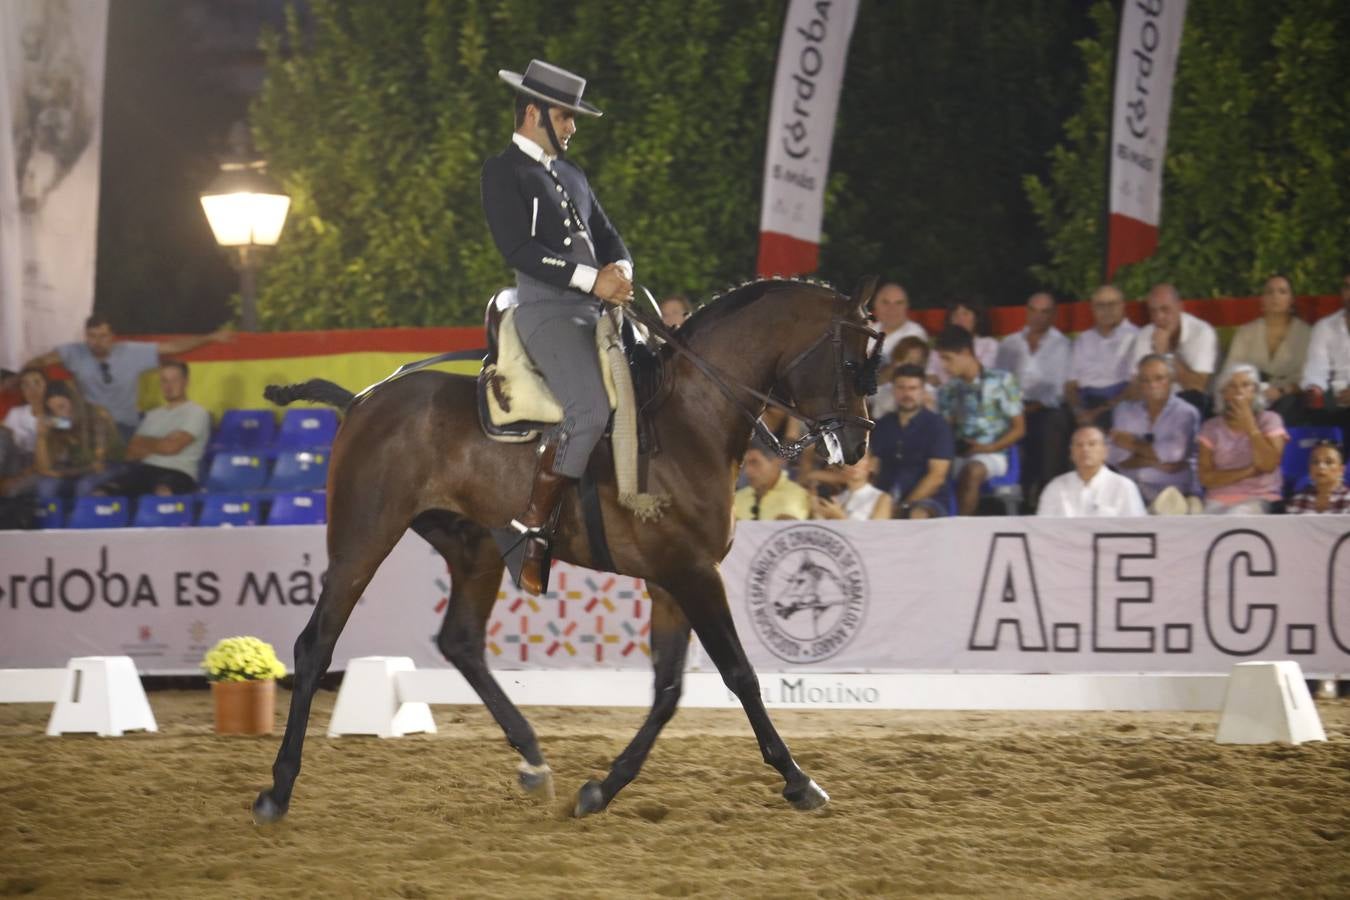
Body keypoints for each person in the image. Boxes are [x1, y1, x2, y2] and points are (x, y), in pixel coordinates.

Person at [481, 59, 635, 594]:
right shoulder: (504, 171)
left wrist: (622, 271)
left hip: (600, 309)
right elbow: (519, 250)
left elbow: (609, 235)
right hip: (547, 311)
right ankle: (532, 530)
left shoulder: (572, 174)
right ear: (533, 112)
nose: (572, 127)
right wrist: (594, 282)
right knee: (589, 409)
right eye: (566, 117)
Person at [26, 313, 231, 442]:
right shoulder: (73, 352)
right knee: (49, 428)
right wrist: (15, 379)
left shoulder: (131, 352)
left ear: (113, 337)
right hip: (86, 424)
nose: (97, 342)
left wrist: (210, 338)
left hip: (123, 425)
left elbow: (172, 347)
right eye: (92, 336)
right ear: (85, 336)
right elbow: (38, 363)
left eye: (103, 336)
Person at [935, 327, 1025, 515]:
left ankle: (962, 529)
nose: (944, 366)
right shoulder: (949, 390)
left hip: (994, 453)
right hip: (958, 454)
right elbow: (945, 430)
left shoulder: (1002, 381)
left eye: (948, 358)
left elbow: (1019, 429)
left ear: (966, 353)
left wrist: (987, 448)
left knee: (973, 470)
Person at [996, 291, 1072, 507]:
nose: (1039, 316)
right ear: (1027, 312)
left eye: (1045, 312)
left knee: (1054, 422)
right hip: (1013, 408)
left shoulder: (1062, 345)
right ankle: (1012, 495)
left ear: (1053, 315)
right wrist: (1014, 408)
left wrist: (1034, 406)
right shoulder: (1010, 344)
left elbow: (1059, 389)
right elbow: (999, 382)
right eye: (1034, 310)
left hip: (1045, 408)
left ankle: (1048, 493)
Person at [93, 361, 211, 498]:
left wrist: (146, 443)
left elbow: (171, 447)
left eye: (174, 380)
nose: (168, 386)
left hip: (180, 472)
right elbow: (132, 451)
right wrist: (163, 441)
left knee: (162, 493)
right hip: (145, 470)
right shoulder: (152, 415)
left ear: (185, 382)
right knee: (102, 492)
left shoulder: (197, 412)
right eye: (164, 381)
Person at [1217, 274, 1311, 424]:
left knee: (1288, 405)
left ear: (1291, 300)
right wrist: (1251, 391)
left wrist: (1281, 391)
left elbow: (1308, 375)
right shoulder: (1246, 331)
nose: (1275, 296)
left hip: (1288, 395)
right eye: (1269, 292)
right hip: (1249, 393)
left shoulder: (1306, 333)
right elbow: (1231, 369)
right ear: (1262, 299)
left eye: (1282, 292)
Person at [1108, 354, 1200, 505]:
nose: (1152, 384)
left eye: (1159, 378)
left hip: (1174, 494)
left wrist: (1132, 445)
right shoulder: (1123, 410)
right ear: (1138, 382)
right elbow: (1115, 456)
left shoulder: (1185, 412)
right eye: (1145, 380)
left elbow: (1173, 454)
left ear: (1171, 379)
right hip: (1130, 492)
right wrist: (1157, 462)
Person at [1196, 365, 1289, 514]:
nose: (1239, 391)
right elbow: (1206, 478)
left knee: (1236, 515)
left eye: (1245, 385)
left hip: (1259, 498)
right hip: (1217, 499)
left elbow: (1268, 465)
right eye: (1232, 386)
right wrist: (1250, 471)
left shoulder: (1270, 420)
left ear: (1255, 391)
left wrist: (1250, 425)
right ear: (1224, 393)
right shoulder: (1211, 427)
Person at [869, 364, 954, 518]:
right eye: (901, 388)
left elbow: (937, 476)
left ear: (923, 391)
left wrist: (905, 505)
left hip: (926, 499)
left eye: (913, 388)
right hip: (884, 496)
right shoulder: (882, 425)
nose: (907, 393)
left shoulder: (937, 426)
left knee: (917, 513)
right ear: (893, 390)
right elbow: (873, 467)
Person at [1130, 283, 1218, 413]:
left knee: (1194, 399)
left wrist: (1167, 354)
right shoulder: (1145, 335)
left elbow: (1197, 387)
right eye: (1153, 311)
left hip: (1191, 403)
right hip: (1154, 401)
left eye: (1165, 309)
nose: (1159, 317)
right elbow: (1136, 385)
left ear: (1180, 307)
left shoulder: (1201, 332)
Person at [33, 382, 122, 501]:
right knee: (46, 485)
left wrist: (62, 474)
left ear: (74, 402)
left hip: (110, 465)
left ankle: (81, 518)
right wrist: (41, 438)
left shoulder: (97, 415)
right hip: (75, 469)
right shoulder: (58, 423)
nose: (59, 414)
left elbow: (98, 465)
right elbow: (44, 468)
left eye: (62, 406)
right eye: (53, 409)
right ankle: (53, 519)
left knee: (85, 484)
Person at [1066, 284, 1139, 429]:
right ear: (1092, 308)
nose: (1106, 310)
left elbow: (1135, 386)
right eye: (1100, 305)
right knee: (1056, 420)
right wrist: (1078, 410)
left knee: (1109, 419)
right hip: (1085, 401)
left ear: (1123, 306)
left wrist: (1097, 412)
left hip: (1118, 401)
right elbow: (1070, 385)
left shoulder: (1136, 336)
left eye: (1112, 304)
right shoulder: (1083, 339)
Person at [1037, 426, 1146, 517]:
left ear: (1105, 451)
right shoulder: (1056, 487)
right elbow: (1041, 530)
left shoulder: (1124, 487)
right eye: (1079, 445)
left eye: (1092, 444)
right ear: (1071, 453)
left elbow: (1138, 532)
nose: (1085, 449)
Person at [1300, 271, 1350, 428]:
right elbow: (1316, 368)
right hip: (1337, 400)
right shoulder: (1325, 327)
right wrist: (1314, 388)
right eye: (1347, 287)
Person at [926, 297, 997, 386]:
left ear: (976, 318)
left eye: (965, 314)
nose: (960, 319)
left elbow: (984, 373)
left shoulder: (989, 344)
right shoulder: (939, 347)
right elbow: (930, 376)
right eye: (955, 315)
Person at [733, 442, 812, 521]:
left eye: (754, 462)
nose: (747, 471)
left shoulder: (798, 494)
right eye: (744, 464)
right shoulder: (737, 497)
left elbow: (789, 527)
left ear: (776, 463)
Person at [810, 453, 892, 521]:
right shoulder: (837, 499)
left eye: (861, 458)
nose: (855, 464)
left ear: (870, 464)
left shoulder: (881, 498)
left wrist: (840, 517)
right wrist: (816, 511)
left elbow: (878, 536)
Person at [1288, 441, 1349, 515]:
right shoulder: (1298, 499)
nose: (1321, 466)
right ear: (1310, 469)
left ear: (1341, 470)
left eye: (1328, 462)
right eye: (1315, 462)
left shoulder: (1347, 498)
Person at [871, 282, 927, 359]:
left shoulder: (915, 335)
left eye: (899, 303)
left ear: (907, 306)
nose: (892, 309)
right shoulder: (869, 330)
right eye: (885, 303)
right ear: (875, 305)